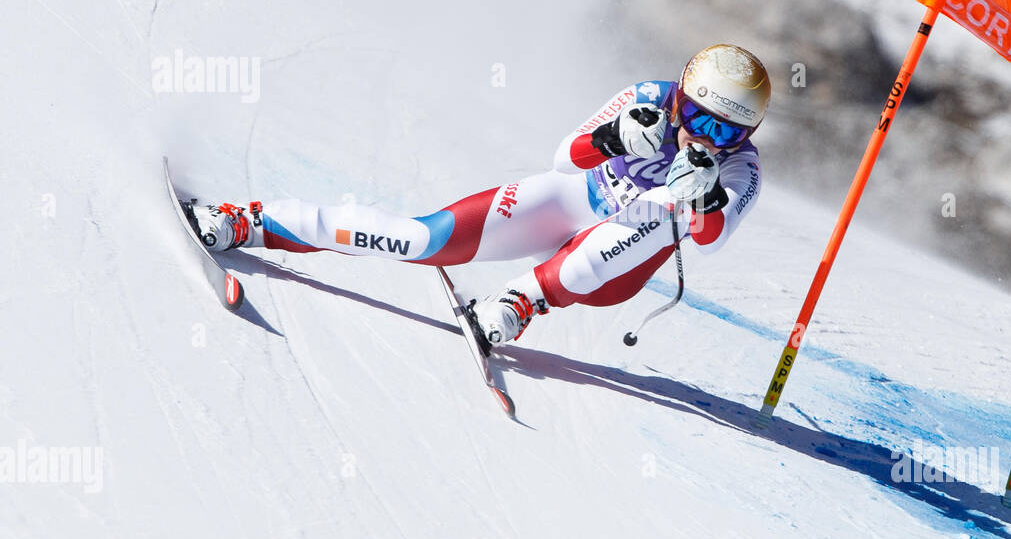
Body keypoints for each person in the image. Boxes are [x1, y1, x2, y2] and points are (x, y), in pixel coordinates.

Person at [191, 44, 769, 345]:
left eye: (726, 130)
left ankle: (522, 300)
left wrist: (703, 199)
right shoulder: (649, 95)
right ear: (681, 95)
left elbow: (713, 244)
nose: (705, 135)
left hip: (611, 271)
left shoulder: (740, 167)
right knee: (421, 237)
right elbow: (565, 157)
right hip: (574, 201)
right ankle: (250, 221)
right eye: (697, 116)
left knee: (661, 207)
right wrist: (612, 137)